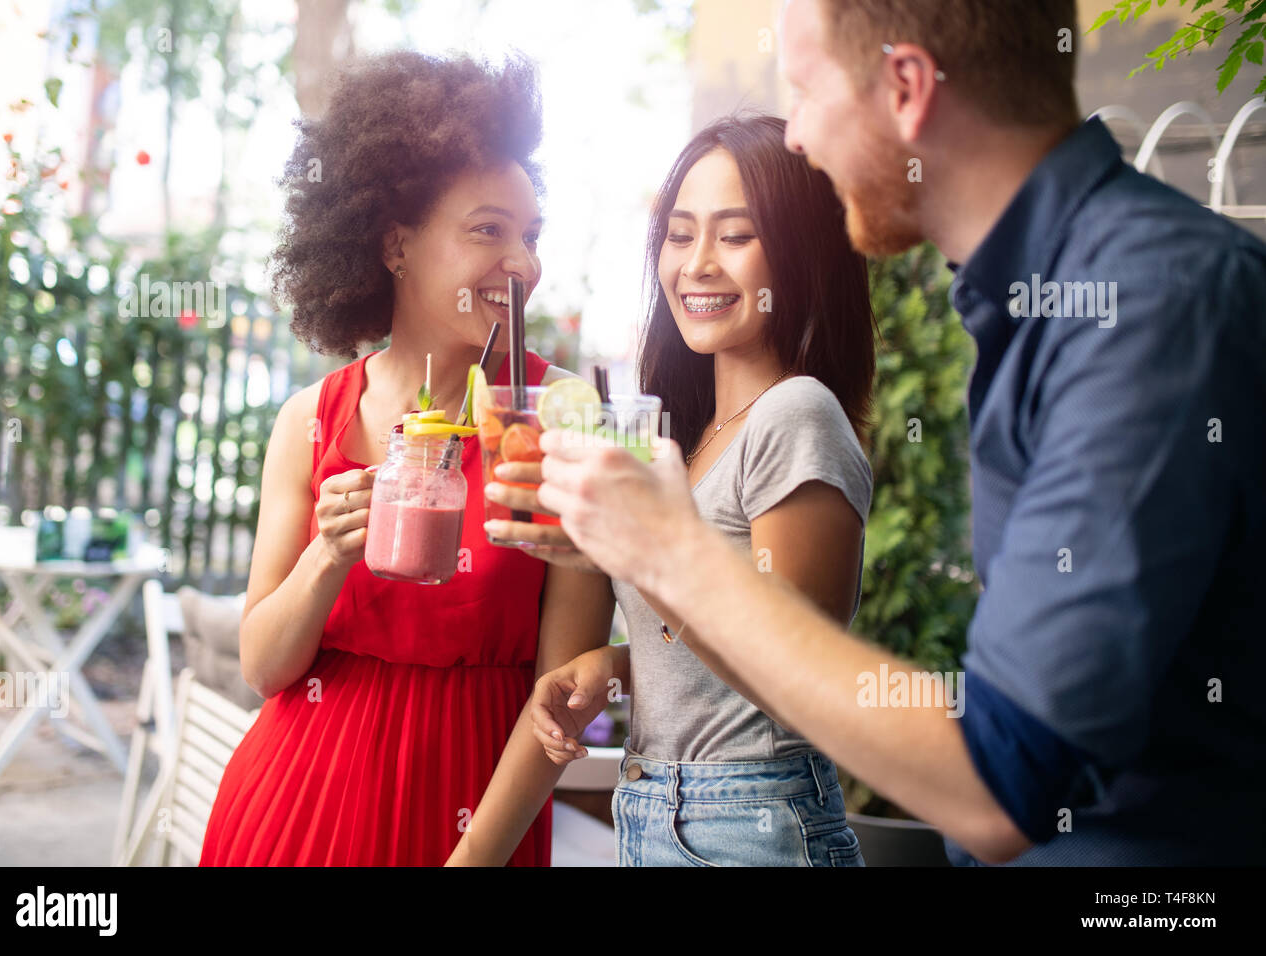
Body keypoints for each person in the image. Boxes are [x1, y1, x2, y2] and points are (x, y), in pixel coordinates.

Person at [530, 0, 1266, 865]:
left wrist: (666, 550)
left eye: (806, 90)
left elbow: (999, 784)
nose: (797, 137)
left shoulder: (1141, 306)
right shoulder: (1036, 304)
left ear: (908, 88)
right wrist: (626, 659)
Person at [198, 50, 613, 866]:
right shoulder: (311, 422)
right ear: (396, 245)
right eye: (487, 230)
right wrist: (327, 552)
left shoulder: (560, 415)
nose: (522, 262)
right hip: (293, 811)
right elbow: (264, 667)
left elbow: (561, 695)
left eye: (528, 236)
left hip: (474, 820)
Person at [484, 113, 877, 865]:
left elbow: (795, 677)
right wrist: (618, 667)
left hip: (751, 822)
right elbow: (721, 656)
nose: (696, 263)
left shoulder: (795, 413)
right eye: (679, 233)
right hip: (658, 810)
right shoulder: (688, 440)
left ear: (800, 254)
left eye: (735, 236)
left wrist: (642, 551)